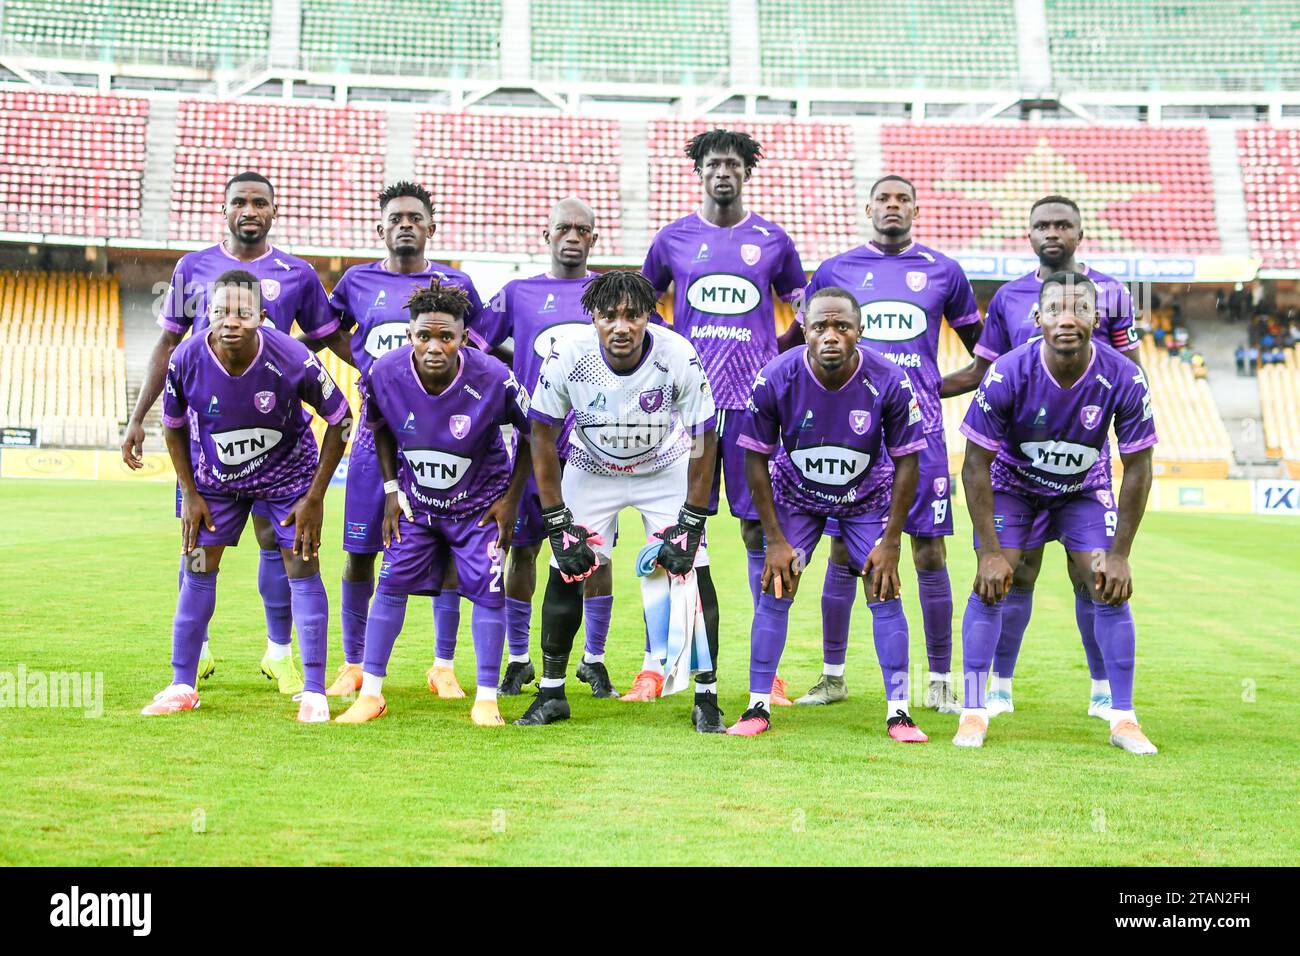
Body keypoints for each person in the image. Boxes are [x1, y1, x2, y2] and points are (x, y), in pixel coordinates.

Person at [122, 171, 350, 695]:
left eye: (259, 203)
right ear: (223, 209)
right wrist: (139, 416)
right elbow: (168, 344)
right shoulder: (192, 267)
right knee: (197, 546)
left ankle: (279, 654)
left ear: (274, 210)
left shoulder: (296, 273)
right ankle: (194, 654)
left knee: (279, 544)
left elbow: (329, 337)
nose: (249, 210)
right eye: (239, 202)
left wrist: (384, 373)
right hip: (209, 447)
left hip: (279, 444)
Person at [941, 195, 1143, 719]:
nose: (1052, 233)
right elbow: (982, 376)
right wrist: (919, 387)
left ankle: (1106, 693)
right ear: (1028, 233)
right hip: (1017, 466)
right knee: (1017, 575)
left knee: (1092, 576)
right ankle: (997, 688)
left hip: (1083, 465)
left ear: (1080, 231)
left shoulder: (1114, 293)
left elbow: (1129, 370)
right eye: (1042, 225)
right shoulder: (1008, 297)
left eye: (1063, 224)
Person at [798, 175, 981, 713]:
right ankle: (833, 676)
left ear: (917, 209)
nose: (893, 206)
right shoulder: (836, 270)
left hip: (918, 433)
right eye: (884, 199)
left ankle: (941, 681)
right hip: (851, 434)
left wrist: (928, 388)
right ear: (868, 208)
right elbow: (808, 342)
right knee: (841, 552)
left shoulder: (944, 271)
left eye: (903, 199)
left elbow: (988, 354)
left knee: (928, 550)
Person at [515, 271, 723, 731]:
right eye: (609, 316)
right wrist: (556, 519)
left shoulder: (677, 355)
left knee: (694, 571)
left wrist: (691, 521)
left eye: (633, 315)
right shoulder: (569, 353)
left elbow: (704, 438)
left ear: (649, 315)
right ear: (594, 317)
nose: (621, 326)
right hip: (592, 467)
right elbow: (542, 435)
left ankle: (707, 698)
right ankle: (551, 694)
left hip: (662, 466)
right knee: (566, 568)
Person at [641, 128, 806, 705]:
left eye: (733, 165)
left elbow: (808, 311)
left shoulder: (773, 240)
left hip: (755, 409)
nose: (723, 173)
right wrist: (669, 349)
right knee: (677, 528)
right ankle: (656, 662)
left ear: (746, 172)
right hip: (687, 411)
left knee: (760, 528)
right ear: (699, 171)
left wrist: (777, 354)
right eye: (713, 164)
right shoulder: (673, 239)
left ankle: (771, 669)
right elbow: (639, 307)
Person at [729, 288, 926, 740]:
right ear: (804, 329)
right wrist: (775, 541)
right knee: (778, 586)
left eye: (842, 326)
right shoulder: (775, 377)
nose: (831, 335)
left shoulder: (890, 380)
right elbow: (755, 459)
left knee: (884, 587)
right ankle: (757, 705)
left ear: (861, 330)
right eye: (820, 327)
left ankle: (899, 711)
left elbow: (908, 461)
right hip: (797, 496)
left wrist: (892, 542)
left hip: (864, 500)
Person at [334, 281, 531, 726]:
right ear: (410, 336)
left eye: (447, 337)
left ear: (464, 337)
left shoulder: (494, 377)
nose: (435, 345)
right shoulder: (383, 373)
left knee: (487, 590)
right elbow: (379, 425)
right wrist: (390, 491)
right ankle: (371, 694)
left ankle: (486, 698)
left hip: (479, 507)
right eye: (425, 336)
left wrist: (509, 501)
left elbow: (535, 431)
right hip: (418, 504)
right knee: (390, 584)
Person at [321, 181, 488, 700]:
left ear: (431, 227)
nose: (405, 224)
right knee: (360, 550)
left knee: (448, 551)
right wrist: (369, 368)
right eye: (395, 217)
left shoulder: (455, 284)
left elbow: (478, 346)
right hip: (377, 436)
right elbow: (329, 329)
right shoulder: (356, 281)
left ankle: (442, 664)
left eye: (415, 217)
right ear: (381, 228)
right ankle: (353, 663)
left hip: (443, 441)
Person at [473, 197, 619, 698]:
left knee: (596, 555)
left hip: (597, 448)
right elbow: (477, 346)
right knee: (524, 548)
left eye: (583, 229)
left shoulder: (609, 294)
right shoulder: (519, 293)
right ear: (547, 234)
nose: (573, 236)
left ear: (594, 239)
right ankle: (518, 659)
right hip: (535, 444)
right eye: (564, 228)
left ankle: (593, 659)